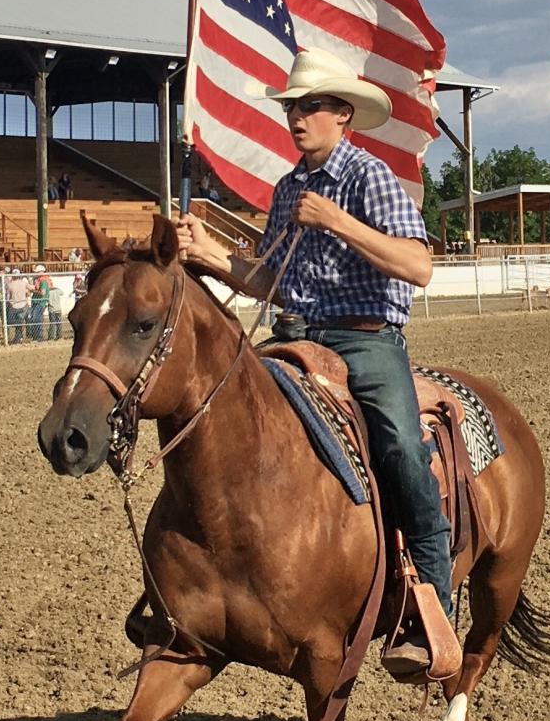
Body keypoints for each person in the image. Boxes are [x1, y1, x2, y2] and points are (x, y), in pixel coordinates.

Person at [173, 48, 450, 677]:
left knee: (403, 449)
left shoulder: (370, 177)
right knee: (224, 422)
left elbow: (419, 267)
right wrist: (213, 254)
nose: (297, 117)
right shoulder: (287, 187)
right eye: (293, 107)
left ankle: (431, 602)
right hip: (293, 333)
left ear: (342, 114)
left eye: (310, 106)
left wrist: (338, 220)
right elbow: (270, 277)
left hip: (365, 340)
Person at [5, 269, 31, 344]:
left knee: (17, 323)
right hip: (23, 305)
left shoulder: (10, 285)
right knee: (21, 322)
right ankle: (20, 337)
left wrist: (9, 303)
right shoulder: (24, 283)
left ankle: (19, 337)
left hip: (14, 306)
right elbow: (31, 289)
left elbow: (8, 297)